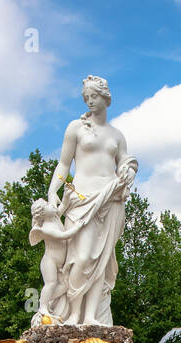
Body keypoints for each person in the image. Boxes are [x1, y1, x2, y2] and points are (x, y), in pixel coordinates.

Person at [40, 75, 137, 326]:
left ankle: (92, 316)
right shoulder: (76, 128)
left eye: (94, 97)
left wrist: (129, 170)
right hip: (82, 199)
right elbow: (63, 163)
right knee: (82, 258)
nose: (89, 101)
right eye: (86, 98)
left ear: (106, 98)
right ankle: (73, 313)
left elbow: (126, 160)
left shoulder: (117, 135)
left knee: (101, 262)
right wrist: (53, 192)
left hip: (111, 200)